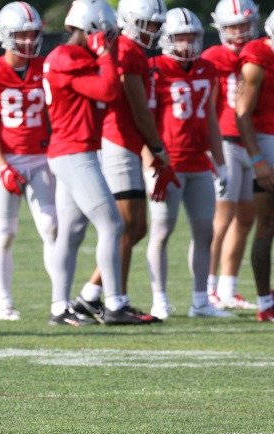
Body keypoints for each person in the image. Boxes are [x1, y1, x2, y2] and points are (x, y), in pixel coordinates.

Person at [43, 0, 148, 325]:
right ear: (92, 29)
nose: (112, 38)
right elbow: (108, 91)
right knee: (114, 225)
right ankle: (115, 304)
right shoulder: (68, 56)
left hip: (74, 150)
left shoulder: (70, 55)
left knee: (72, 233)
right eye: (107, 32)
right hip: (74, 152)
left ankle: (60, 307)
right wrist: (105, 55)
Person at [70, 0, 168, 324]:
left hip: (124, 142)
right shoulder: (126, 50)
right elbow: (138, 109)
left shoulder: (130, 50)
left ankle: (91, 296)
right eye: (147, 23)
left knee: (134, 227)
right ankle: (115, 302)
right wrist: (156, 147)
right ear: (128, 20)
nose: (152, 30)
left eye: (156, 24)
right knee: (127, 227)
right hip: (118, 142)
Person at [0, 2, 57, 321]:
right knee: (5, 233)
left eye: (33, 34)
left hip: (42, 157)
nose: (30, 40)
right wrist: (3, 165)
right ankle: (4, 303)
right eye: (22, 34)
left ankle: (59, 299)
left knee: (52, 227)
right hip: (6, 159)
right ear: (5, 36)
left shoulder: (46, 67)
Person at [145, 8, 231, 319]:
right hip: (168, 162)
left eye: (192, 36)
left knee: (204, 231)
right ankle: (160, 299)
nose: (187, 43)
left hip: (198, 163)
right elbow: (146, 120)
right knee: (162, 231)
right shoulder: (154, 68)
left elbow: (210, 118)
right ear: (167, 38)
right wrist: (150, 161)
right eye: (180, 37)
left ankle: (200, 301)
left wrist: (220, 163)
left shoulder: (207, 68)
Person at [203, 0, 260, 311]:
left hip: (250, 142)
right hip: (223, 142)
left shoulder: (259, 55)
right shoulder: (212, 57)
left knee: (246, 217)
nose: (238, 32)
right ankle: (208, 287)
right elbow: (205, 106)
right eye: (232, 26)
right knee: (221, 219)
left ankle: (228, 287)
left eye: (243, 25)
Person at [236, 10, 274, 322]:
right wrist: (258, 160)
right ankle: (265, 302)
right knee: (266, 226)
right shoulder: (258, 59)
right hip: (267, 143)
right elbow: (242, 113)